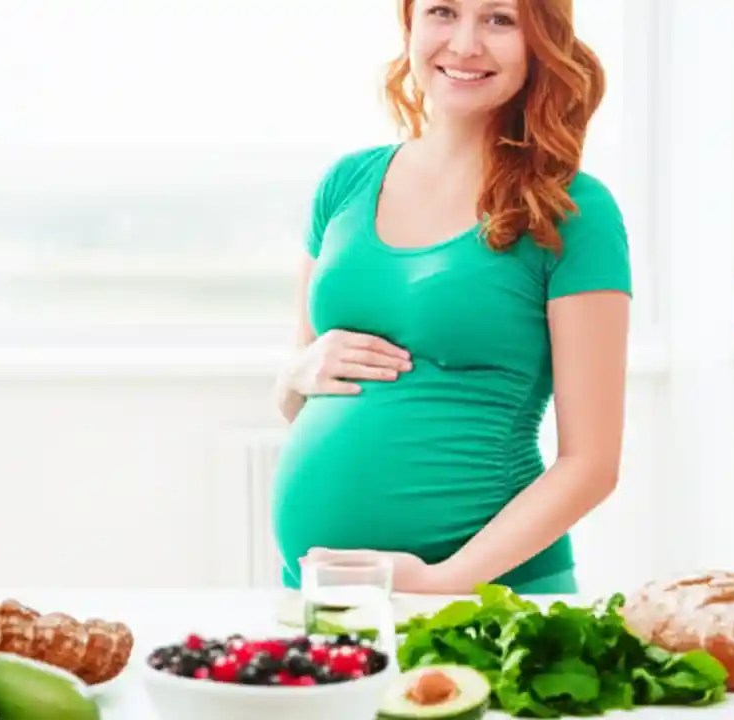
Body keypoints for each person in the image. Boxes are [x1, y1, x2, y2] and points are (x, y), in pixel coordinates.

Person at [270, 0, 630, 596]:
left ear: (540, 39)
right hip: (316, 594)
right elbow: (296, 399)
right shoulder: (346, 184)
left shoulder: (573, 211)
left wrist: (441, 583)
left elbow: (591, 465)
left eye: (499, 20)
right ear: (410, 25)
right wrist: (294, 376)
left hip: (484, 599)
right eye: (443, 12)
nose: (465, 45)